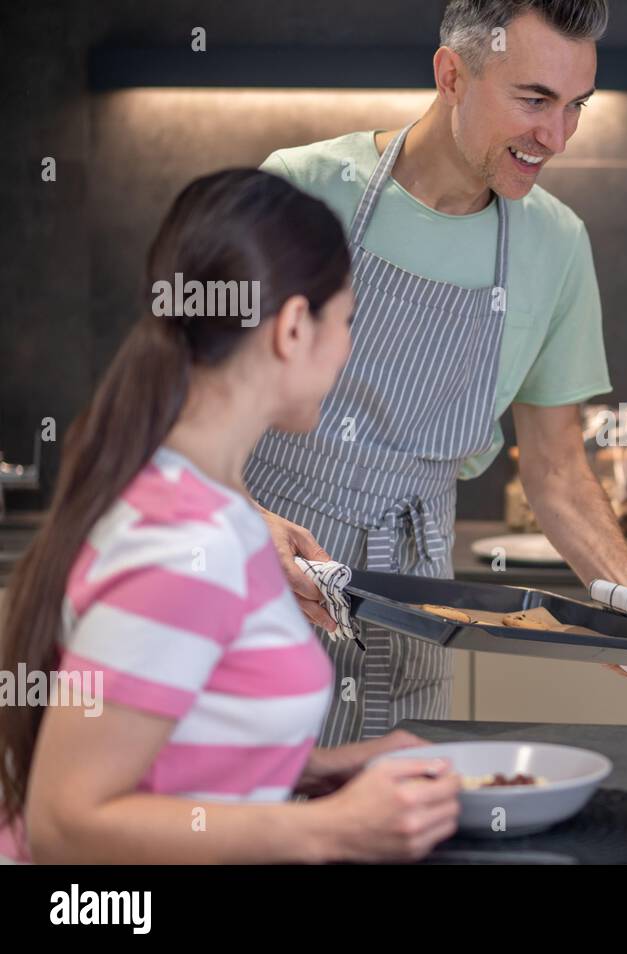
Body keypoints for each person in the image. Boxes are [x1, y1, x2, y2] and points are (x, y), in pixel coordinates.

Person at [0, 170, 460, 863]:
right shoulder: (186, 542)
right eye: (347, 321)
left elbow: (176, 744)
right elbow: (65, 825)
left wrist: (315, 770)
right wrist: (331, 829)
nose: (348, 349)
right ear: (294, 328)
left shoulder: (215, 507)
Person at [247, 0, 627, 746]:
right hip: (260, 579)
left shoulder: (556, 243)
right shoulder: (302, 189)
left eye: (576, 106)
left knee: (400, 802)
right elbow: (174, 406)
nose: (557, 136)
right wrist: (245, 522)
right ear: (452, 75)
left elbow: (556, 467)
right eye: (534, 100)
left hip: (415, 605)